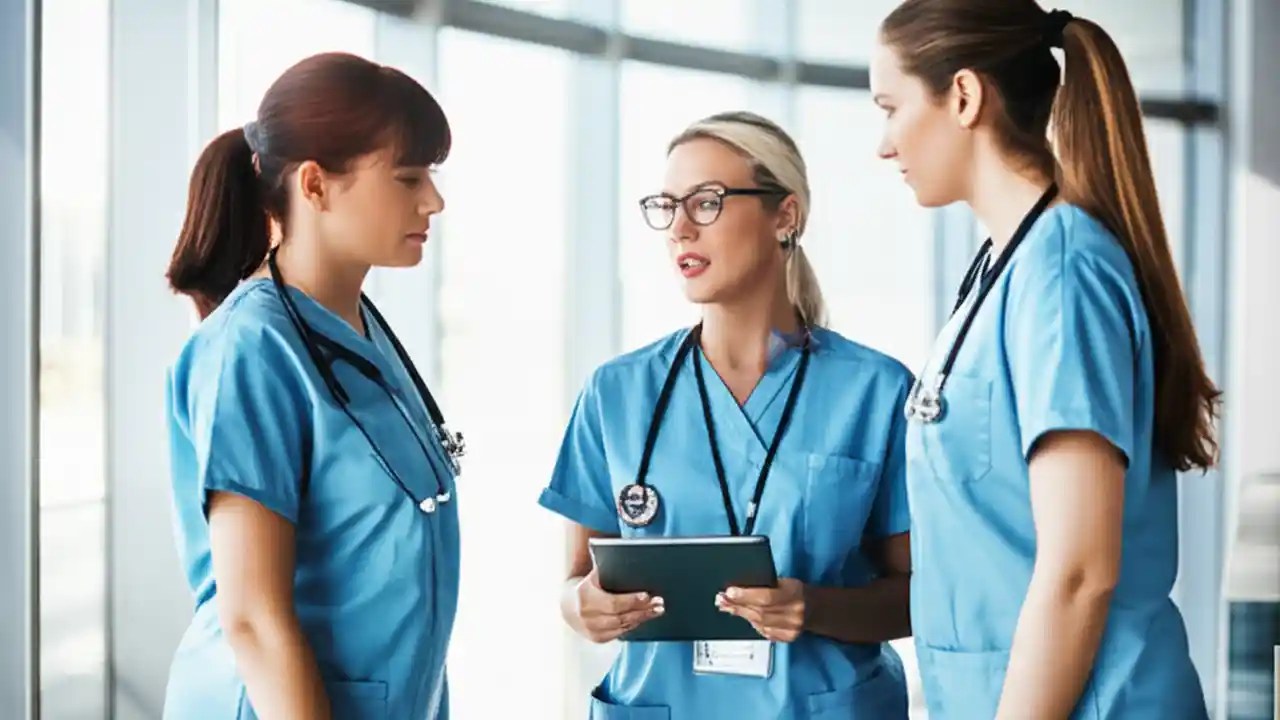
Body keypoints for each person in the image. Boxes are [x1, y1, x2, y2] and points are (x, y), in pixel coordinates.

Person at [870, 2, 1222, 718]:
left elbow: (1079, 572)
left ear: (964, 97)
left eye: (891, 107)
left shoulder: (1061, 274)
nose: (884, 144)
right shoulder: (1006, 269)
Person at [538, 111, 914, 719]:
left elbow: (921, 597)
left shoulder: (876, 391)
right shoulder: (618, 392)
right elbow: (577, 580)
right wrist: (582, 608)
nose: (679, 228)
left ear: (784, 216)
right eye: (667, 205)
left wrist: (813, 607)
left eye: (707, 202)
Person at [162, 52, 463, 719]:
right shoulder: (253, 348)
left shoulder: (358, 333)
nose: (434, 200)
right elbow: (253, 619)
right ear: (315, 185)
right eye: (408, 176)